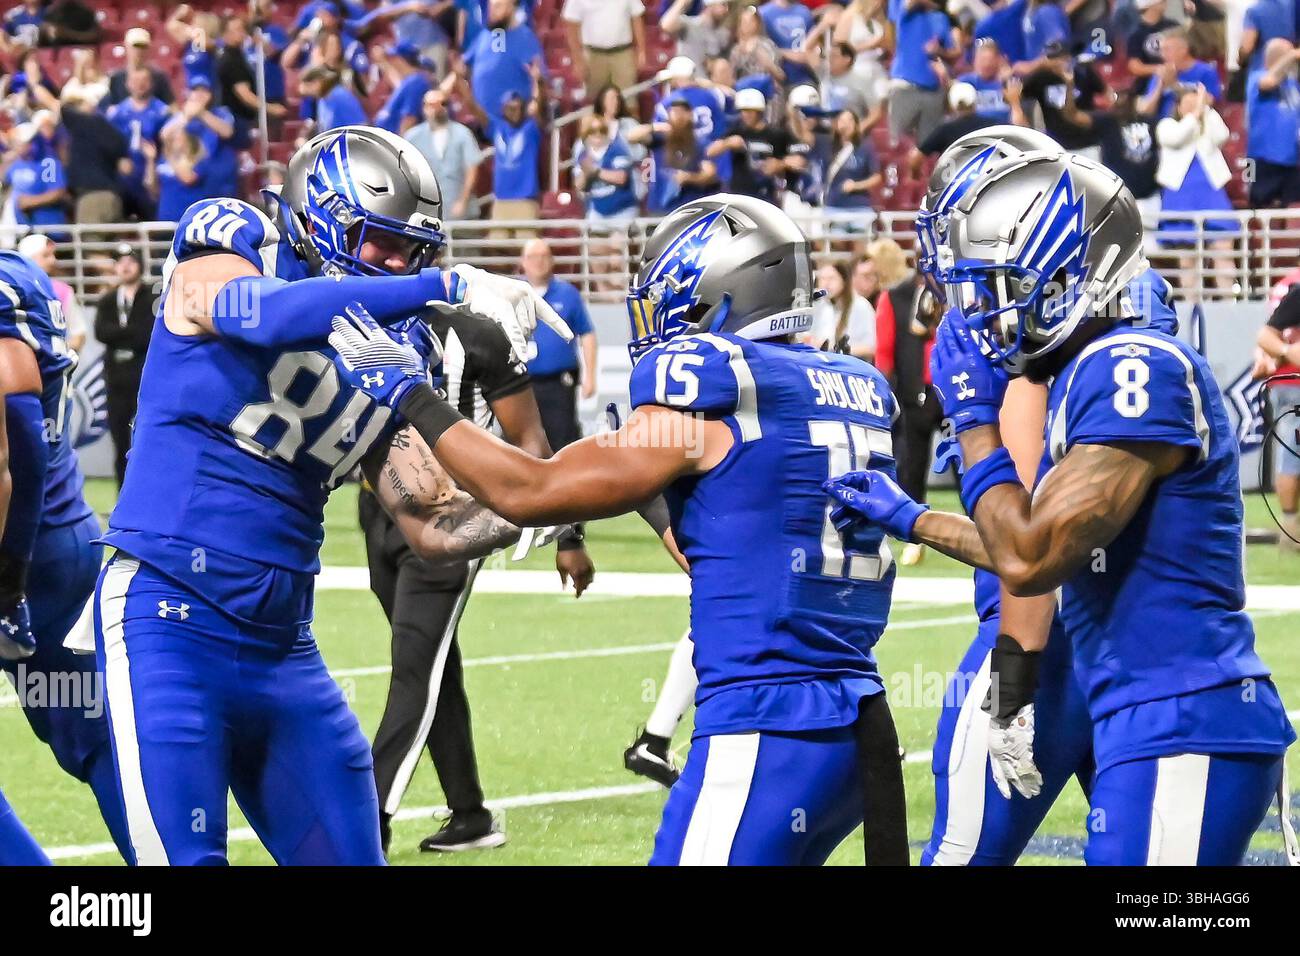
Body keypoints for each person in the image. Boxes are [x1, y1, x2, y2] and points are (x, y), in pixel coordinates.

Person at [328, 193, 911, 866]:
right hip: (855, 723)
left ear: (720, 300)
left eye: (674, 302)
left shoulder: (711, 386)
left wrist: (408, 391)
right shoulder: (843, 384)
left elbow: (528, 489)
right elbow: (718, 543)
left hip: (765, 726)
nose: (659, 321)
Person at [90, 124, 568, 865]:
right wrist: (447, 284)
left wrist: (539, 500)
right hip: (169, 618)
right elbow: (266, 315)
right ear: (323, 217)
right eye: (383, 243)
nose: (399, 265)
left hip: (284, 647)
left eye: (416, 253)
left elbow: (433, 522)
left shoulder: (388, 346)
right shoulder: (230, 239)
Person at [828, 150, 1297, 866]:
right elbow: (1048, 542)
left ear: (1069, 274)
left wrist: (974, 418)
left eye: (1002, 285)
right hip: (1154, 717)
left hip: (1183, 716)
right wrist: (910, 516)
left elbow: (1031, 555)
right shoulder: (1096, 364)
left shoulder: (1131, 363)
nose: (984, 310)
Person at [365, 299, 591, 856]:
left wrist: (568, 535)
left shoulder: (481, 335)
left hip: (455, 513)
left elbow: (535, 451)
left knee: (415, 668)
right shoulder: (362, 314)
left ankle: (367, 816)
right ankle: (470, 814)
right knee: (435, 664)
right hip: (379, 508)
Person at [0, 249, 130, 861]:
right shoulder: (20, 277)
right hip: (59, 536)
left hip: (25, 551)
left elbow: (15, 446)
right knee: (94, 736)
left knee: (94, 736)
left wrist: (7, 581)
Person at [868, 236, 936, 566]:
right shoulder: (896, 296)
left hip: (947, 385)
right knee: (912, 463)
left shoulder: (955, 294)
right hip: (915, 388)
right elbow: (885, 349)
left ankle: (981, 526)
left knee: (965, 461)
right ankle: (915, 534)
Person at [1156, 84, 1238, 293]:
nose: (1196, 108)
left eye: (1198, 103)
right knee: (1188, 259)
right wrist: (1196, 114)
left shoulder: (1207, 124)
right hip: (1180, 197)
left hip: (1211, 194)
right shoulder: (1166, 125)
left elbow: (1222, 136)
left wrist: (1208, 111)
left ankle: (1229, 302)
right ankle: (1192, 307)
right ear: (1178, 106)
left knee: (1223, 250)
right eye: (1190, 104)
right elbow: (1177, 138)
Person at [520, 238, 599, 448]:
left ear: (552, 260)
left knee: (564, 438)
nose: (539, 261)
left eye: (544, 256)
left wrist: (590, 376)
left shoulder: (567, 293)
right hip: (520, 382)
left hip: (559, 382)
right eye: (533, 257)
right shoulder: (513, 293)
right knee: (521, 440)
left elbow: (587, 334)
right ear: (523, 262)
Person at [92, 245, 157, 486]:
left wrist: (119, 334)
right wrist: (129, 334)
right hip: (116, 381)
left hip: (144, 380)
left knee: (147, 441)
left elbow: (147, 334)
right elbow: (100, 332)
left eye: (131, 260)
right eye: (120, 261)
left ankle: (148, 498)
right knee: (120, 442)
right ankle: (122, 499)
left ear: (140, 264)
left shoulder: (152, 296)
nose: (125, 265)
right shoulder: (108, 299)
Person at [1255, 283, 1300, 551]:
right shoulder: (1296, 288)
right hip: (1294, 386)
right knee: (1294, 452)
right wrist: (1286, 352)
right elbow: (1266, 335)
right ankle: (1290, 527)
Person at [1012, 39, 1108, 155]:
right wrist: (1035, 67)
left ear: (1068, 57)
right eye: (1050, 58)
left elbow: (1106, 92)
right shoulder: (1040, 78)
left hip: (1088, 143)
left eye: (1059, 58)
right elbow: (1014, 93)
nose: (1055, 63)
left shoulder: (1083, 73)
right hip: (1057, 146)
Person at [404, 82, 483, 220]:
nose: (437, 109)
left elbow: (472, 168)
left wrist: (462, 201)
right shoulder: (413, 137)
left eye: (442, 104)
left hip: (459, 207)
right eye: (432, 105)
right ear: (424, 108)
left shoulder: (463, 133)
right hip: (427, 211)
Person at [629, 96, 721, 214]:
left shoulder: (699, 143)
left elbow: (710, 174)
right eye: (674, 112)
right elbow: (631, 137)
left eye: (683, 112)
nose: (678, 116)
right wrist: (655, 127)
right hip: (659, 208)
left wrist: (688, 178)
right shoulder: (659, 139)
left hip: (689, 209)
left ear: (690, 115)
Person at [886, 0, 958, 142]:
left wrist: (940, 51)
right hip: (905, 85)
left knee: (929, 145)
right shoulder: (904, 10)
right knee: (897, 143)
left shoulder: (940, 18)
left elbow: (953, 53)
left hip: (933, 89)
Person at [106, 67, 172, 221]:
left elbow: (169, 145)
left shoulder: (162, 112)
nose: (140, 85)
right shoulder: (116, 113)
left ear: (151, 84)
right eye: (135, 81)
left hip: (151, 175)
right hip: (124, 176)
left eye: (144, 81)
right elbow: (107, 143)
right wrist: (117, 160)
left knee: (152, 224)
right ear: (127, 84)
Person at [707, 88, 792, 205]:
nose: (745, 115)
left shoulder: (776, 135)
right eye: (743, 111)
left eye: (749, 111)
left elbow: (795, 161)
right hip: (739, 194)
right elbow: (710, 152)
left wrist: (780, 164)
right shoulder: (736, 132)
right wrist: (727, 143)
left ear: (759, 112)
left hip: (766, 194)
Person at [464, 0, 545, 123]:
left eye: (498, 6)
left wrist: (534, 100)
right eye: (491, 6)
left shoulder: (526, 38)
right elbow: (462, 66)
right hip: (481, 120)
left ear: (511, 6)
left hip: (513, 122)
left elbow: (539, 77)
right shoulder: (486, 34)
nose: (492, 11)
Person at [1246, 38, 1300, 208]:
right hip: (1262, 159)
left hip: (1291, 160)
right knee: (1260, 207)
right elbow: (1269, 82)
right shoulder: (1257, 76)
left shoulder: (1292, 84)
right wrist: (1291, 55)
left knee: (1290, 210)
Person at [17, 233, 85, 352]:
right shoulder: (10, 289)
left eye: (53, 255)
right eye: (46, 255)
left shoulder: (62, 291)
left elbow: (78, 333)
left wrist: (57, 353)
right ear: (28, 258)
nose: (53, 260)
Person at [563, 0, 646, 92]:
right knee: (595, 100)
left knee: (628, 98)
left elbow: (637, 19)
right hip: (593, 56)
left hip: (623, 54)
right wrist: (578, 61)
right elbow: (571, 27)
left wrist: (641, 51)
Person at [821, 108, 881, 232]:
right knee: (836, 244)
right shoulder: (828, 148)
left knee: (860, 243)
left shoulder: (865, 148)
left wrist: (856, 186)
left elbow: (877, 177)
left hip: (859, 206)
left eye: (850, 120)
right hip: (835, 206)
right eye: (842, 120)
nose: (846, 124)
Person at [807, 261, 876, 360]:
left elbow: (870, 348)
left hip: (853, 364)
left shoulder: (861, 306)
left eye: (831, 278)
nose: (826, 284)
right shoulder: (821, 305)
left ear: (844, 280)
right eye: (822, 278)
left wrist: (833, 348)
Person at [372, 40, 434, 135]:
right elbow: (394, 78)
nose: (391, 61)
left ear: (401, 60)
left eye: (393, 57)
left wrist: (401, 147)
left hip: (394, 143)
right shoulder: (409, 80)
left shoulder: (416, 82)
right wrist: (382, 62)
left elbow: (409, 118)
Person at [105, 27, 175, 107]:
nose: (139, 51)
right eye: (135, 46)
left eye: (143, 47)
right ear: (127, 47)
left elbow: (170, 106)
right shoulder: (116, 78)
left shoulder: (159, 77)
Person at [662, 0, 733, 66]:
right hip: (689, 77)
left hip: (708, 79)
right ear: (710, 5)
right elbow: (666, 25)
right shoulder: (690, 24)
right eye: (723, 5)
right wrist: (682, 3)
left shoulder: (723, 34)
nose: (726, 10)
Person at [957, 37, 1011, 121]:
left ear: (998, 60)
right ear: (974, 61)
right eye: (982, 59)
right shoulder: (965, 83)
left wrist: (1006, 82)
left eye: (990, 60)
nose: (986, 64)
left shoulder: (1008, 84)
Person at [1125, 0, 1179, 80]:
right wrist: (1158, 69)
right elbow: (1134, 66)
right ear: (1150, 5)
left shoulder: (1173, 26)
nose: (1166, 2)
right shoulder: (1136, 33)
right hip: (1149, 83)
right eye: (1162, 1)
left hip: (1178, 78)